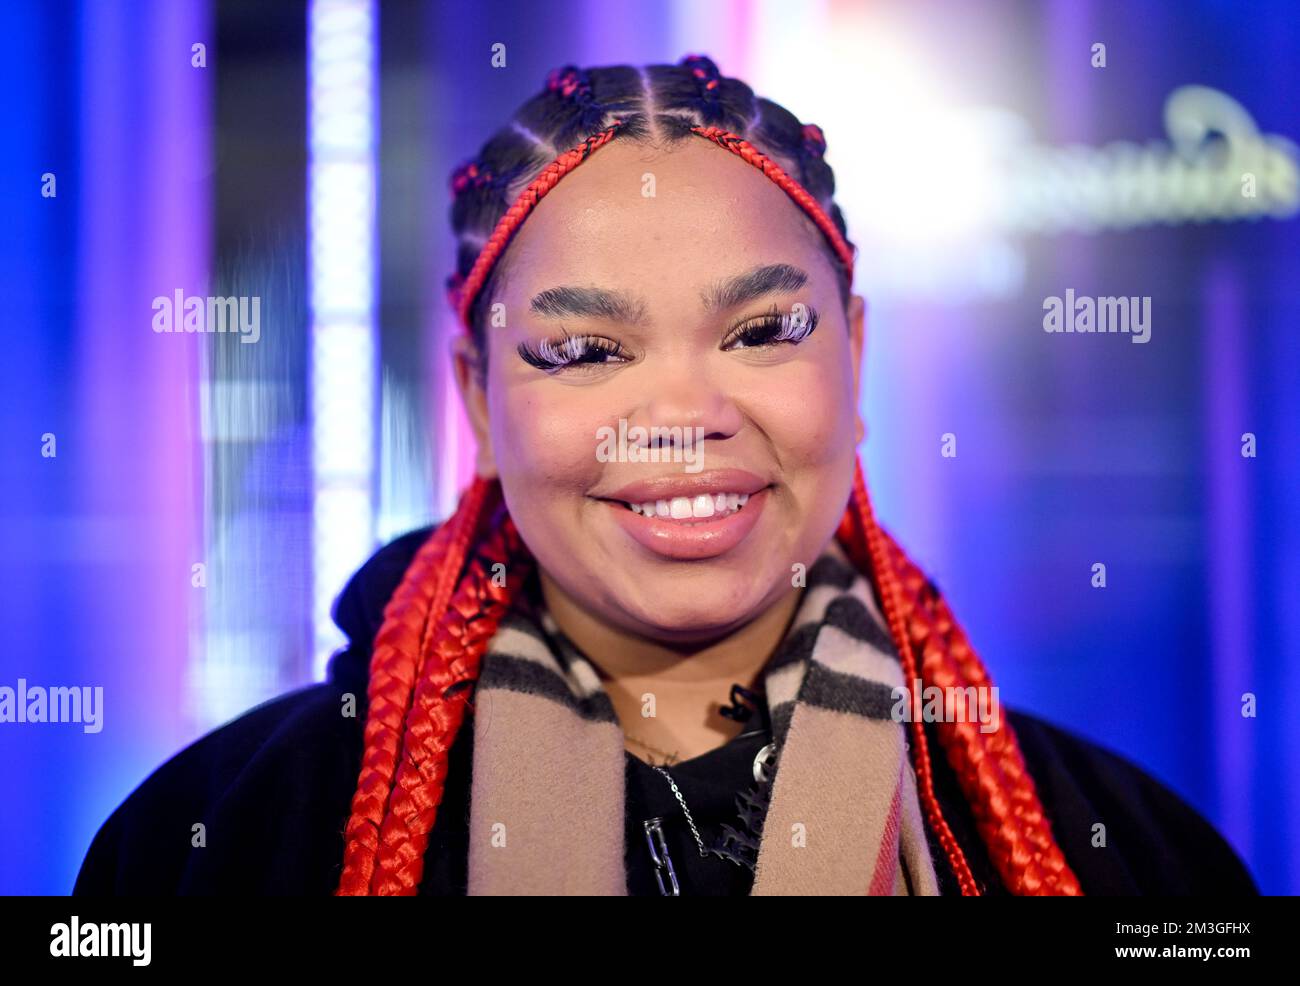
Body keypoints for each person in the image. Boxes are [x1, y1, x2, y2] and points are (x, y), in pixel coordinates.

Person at [74, 55, 1258, 896]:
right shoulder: (220, 839)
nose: (682, 416)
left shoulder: (1113, 847)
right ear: (480, 396)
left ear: (857, 354)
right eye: (586, 351)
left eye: (760, 333)